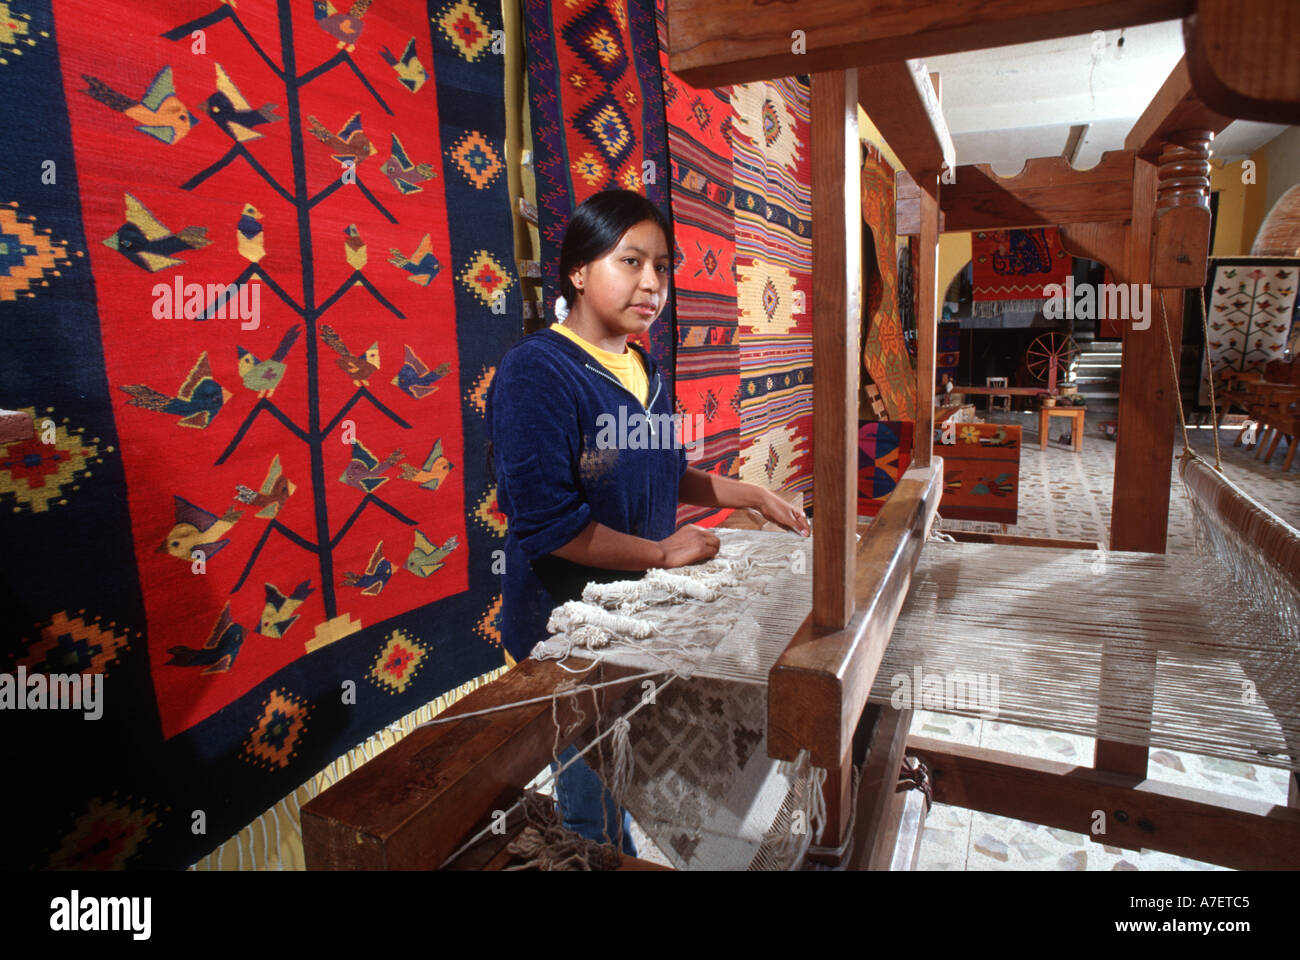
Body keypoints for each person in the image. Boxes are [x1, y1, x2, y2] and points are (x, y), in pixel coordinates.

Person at [485, 189, 809, 854]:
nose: (652, 283)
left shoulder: (643, 367)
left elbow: (668, 473)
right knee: (591, 812)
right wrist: (662, 555)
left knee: (631, 771)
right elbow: (551, 529)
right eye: (631, 261)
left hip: (639, 617)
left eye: (663, 267)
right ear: (577, 270)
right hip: (568, 632)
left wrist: (750, 494)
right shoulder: (536, 373)